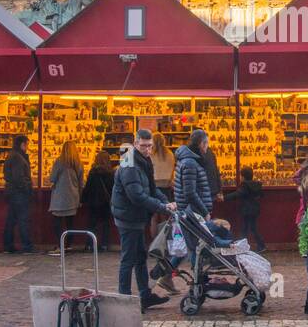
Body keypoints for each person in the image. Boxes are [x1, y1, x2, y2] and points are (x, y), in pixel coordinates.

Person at [111, 129, 175, 310]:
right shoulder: (129, 165)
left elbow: (151, 188)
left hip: (136, 217)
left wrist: (166, 202)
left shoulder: (144, 161)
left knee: (140, 257)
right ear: (136, 143)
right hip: (128, 217)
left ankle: (145, 295)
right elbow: (137, 196)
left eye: (150, 146)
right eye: (144, 146)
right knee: (128, 258)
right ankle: (123, 299)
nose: (147, 149)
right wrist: (161, 206)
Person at [47, 141, 84, 254]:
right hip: (73, 197)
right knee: (70, 223)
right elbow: (81, 182)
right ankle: (68, 245)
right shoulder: (78, 163)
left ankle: (60, 245)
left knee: (57, 223)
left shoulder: (59, 161)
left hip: (60, 198)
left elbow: (52, 178)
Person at [1, 135, 35, 254]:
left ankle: (8, 245)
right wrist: (27, 189)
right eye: (26, 144)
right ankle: (26, 246)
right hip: (19, 194)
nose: (27, 147)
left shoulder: (13, 156)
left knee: (12, 220)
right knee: (22, 220)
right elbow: (19, 178)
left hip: (13, 193)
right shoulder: (18, 158)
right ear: (22, 144)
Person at [222, 166, 265, 252]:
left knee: (245, 228)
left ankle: (242, 247)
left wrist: (225, 197)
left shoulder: (244, 185)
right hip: (255, 208)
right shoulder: (257, 184)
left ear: (243, 176)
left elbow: (238, 194)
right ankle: (261, 245)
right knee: (253, 228)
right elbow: (262, 195)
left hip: (247, 209)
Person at [174, 130, 215, 218]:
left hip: (191, 210)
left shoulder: (187, 159)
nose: (207, 147)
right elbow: (190, 193)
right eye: (207, 143)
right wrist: (205, 212)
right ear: (202, 144)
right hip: (193, 213)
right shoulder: (190, 163)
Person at [79, 151, 115, 251]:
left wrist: (82, 199)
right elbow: (112, 188)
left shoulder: (93, 172)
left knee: (92, 224)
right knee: (106, 224)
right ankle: (104, 245)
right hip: (106, 202)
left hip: (94, 202)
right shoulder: (110, 173)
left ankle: (90, 244)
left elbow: (88, 187)